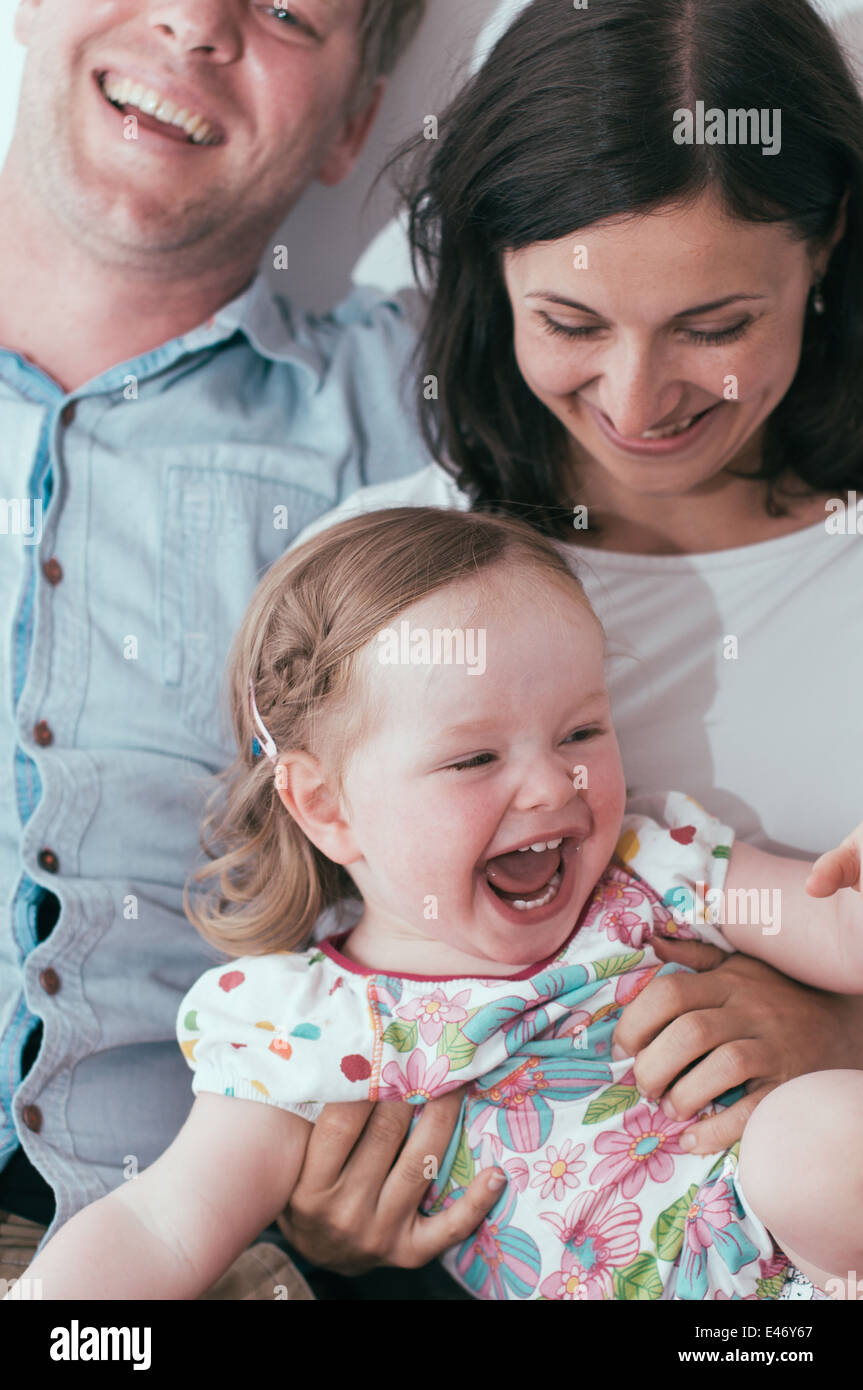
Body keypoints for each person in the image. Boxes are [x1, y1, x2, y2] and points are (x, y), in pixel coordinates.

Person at [271, 0, 863, 1296]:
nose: (637, 400)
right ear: (486, 267)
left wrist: (841, 1035)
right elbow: (313, 969)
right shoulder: (382, 573)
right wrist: (312, 1212)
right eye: (573, 322)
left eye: (712, 324)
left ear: (820, 247)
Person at [9, 505, 863, 1302]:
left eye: (579, 734)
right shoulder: (310, 1027)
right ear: (327, 808)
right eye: (472, 760)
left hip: (805, 1261)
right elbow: (160, 1223)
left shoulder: (654, 865)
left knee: (818, 1134)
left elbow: (837, 926)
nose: (548, 784)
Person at [0, 0, 472, 1302]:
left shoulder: (414, 417)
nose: (195, 24)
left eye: (285, 11)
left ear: (351, 127)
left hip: (190, 1231)